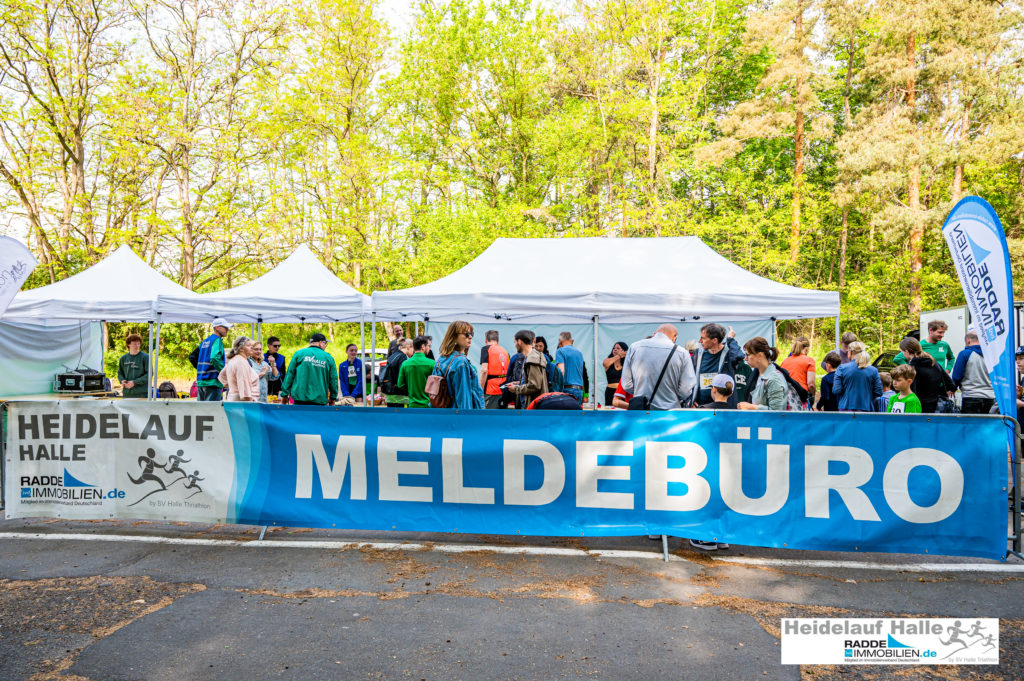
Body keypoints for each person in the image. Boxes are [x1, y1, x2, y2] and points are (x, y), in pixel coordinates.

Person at [619, 324, 696, 410]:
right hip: (670, 411)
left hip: (642, 409)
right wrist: (672, 397)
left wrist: (641, 392)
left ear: (655, 333)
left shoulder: (634, 347)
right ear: (675, 336)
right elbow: (685, 389)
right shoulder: (682, 353)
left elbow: (626, 384)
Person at [432, 321, 485, 410]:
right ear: (454, 336)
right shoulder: (461, 362)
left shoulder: (441, 359)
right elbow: (464, 398)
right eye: (466, 334)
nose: (470, 337)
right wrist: (466, 418)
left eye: (471, 333)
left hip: (444, 413)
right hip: (459, 415)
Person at [690, 323, 745, 408]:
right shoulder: (698, 354)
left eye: (703, 338)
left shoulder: (728, 354)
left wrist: (730, 339)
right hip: (702, 408)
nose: (699, 341)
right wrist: (691, 400)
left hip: (724, 408)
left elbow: (739, 356)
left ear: (714, 340)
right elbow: (690, 378)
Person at [280, 332, 339, 406]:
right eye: (325, 344)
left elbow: (290, 375)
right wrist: (333, 397)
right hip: (320, 400)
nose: (325, 346)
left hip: (299, 399)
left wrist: (284, 394)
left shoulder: (299, 354)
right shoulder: (328, 358)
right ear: (320, 343)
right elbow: (333, 380)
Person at [899, 337, 955, 414]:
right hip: (937, 404)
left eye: (902, 351)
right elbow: (950, 383)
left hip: (921, 405)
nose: (902, 354)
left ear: (907, 351)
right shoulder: (933, 362)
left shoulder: (912, 367)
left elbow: (912, 390)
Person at [737, 337, 788, 411]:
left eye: (747, 355)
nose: (745, 358)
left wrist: (751, 407)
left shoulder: (774, 379)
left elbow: (777, 412)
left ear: (760, 355)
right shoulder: (757, 375)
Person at [951, 331, 995, 414]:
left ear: (968, 340)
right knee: (987, 426)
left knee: (971, 426)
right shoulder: (991, 355)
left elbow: (957, 376)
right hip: (991, 398)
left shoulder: (964, 354)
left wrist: (952, 388)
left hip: (971, 396)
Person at [833, 341, 883, 412]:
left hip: (845, 408)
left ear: (850, 352)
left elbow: (836, 390)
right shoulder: (873, 370)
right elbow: (879, 392)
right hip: (867, 409)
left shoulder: (841, 368)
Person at [507, 329, 549, 407]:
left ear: (519, 342)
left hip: (532, 407)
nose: (515, 345)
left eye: (515, 342)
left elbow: (534, 386)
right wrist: (518, 383)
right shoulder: (531, 357)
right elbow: (532, 381)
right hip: (531, 405)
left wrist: (516, 389)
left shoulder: (532, 359)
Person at [196, 318, 231, 401]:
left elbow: (197, 357)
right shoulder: (217, 340)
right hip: (212, 381)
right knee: (211, 411)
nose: (227, 329)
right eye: (225, 327)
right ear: (217, 327)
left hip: (201, 381)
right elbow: (214, 358)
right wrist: (224, 371)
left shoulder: (205, 341)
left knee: (201, 411)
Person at [398, 335, 436, 408]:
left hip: (412, 405)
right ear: (423, 346)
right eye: (429, 346)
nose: (429, 348)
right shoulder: (432, 363)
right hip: (428, 405)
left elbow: (400, 385)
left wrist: (411, 388)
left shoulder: (405, 364)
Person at [218, 337, 258, 402]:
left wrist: (233, 386)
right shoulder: (241, 362)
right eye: (248, 345)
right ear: (241, 349)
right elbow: (245, 391)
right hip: (241, 403)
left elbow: (222, 376)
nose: (252, 347)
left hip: (232, 398)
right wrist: (250, 401)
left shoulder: (233, 360)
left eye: (251, 345)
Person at [780, 337, 815, 408]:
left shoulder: (785, 361)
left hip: (787, 398)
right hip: (802, 397)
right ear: (806, 349)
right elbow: (811, 384)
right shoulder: (809, 360)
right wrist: (813, 395)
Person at [479, 329, 510, 409]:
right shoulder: (505, 351)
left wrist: (480, 390)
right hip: (504, 390)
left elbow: (484, 370)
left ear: (486, 340)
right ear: (498, 340)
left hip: (491, 389)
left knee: (489, 417)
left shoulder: (486, 349)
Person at [555, 331, 586, 405]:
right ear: (572, 341)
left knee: (565, 415)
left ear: (559, 341)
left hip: (567, 389)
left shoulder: (560, 351)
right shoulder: (579, 353)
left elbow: (561, 371)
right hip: (579, 390)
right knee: (577, 415)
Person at [382, 338, 413, 408]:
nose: (413, 351)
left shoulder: (393, 355)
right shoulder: (403, 357)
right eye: (413, 348)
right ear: (408, 347)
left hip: (390, 395)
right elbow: (401, 377)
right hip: (399, 397)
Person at [117, 333, 149, 398]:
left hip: (142, 393)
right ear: (128, 344)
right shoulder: (123, 358)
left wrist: (134, 382)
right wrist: (122, 380)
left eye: (138, 343)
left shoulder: (145, 357)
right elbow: (120, 373)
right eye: (134, 344)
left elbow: (148, 375)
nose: (137, 346)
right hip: (127, 393)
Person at [602, 342, 628, 407]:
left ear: (624, 351)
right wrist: (619, 355)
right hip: (610, 392)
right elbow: (605, 363)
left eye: (618, 348)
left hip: (622, 392)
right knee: (609, 412)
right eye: (614, 348)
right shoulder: (608, 361)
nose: (615, 349)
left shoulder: (626, 363)